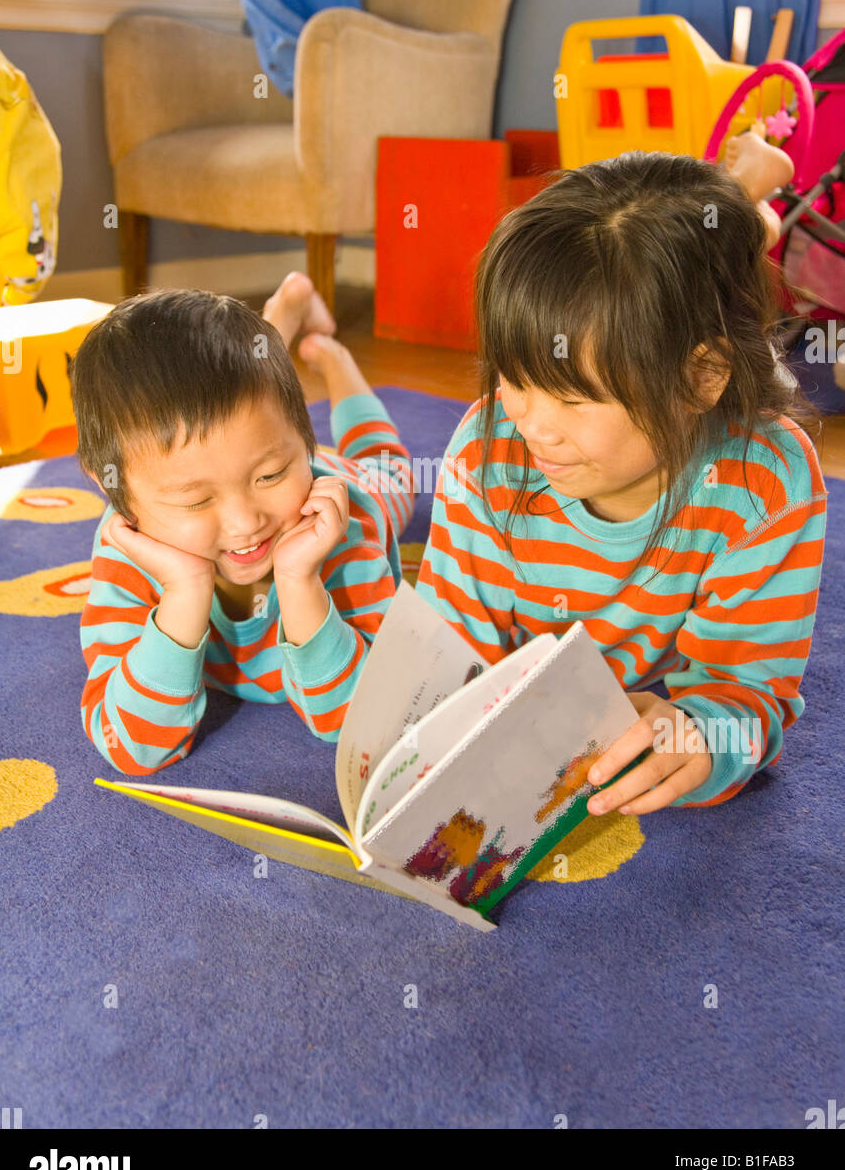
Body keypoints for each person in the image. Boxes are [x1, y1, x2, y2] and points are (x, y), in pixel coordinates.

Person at [416, 148, 827, 814]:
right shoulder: (490, 449)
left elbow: (747, 691)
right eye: (513, 376)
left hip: (718, 365)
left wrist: (698, 734)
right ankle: (743, 188)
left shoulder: (765, 484)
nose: (533, 425)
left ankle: (750, 187)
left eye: (573, 400)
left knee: (729, 260)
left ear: (700, 378)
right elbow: (449, 647)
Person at [72, 275, 413, 772]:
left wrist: (300, 582)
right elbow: (132, 746)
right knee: (238, 420)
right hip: (256, 441)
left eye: (270, 474)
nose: (245, 523)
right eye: (195, 501)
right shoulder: (127, 549)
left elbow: (354, 719)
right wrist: (185, 593)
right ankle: (284, 318)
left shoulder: (343, 526)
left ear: (304, 440)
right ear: (111, 490)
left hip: (337, 477)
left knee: (391, 470)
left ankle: (333, 360)